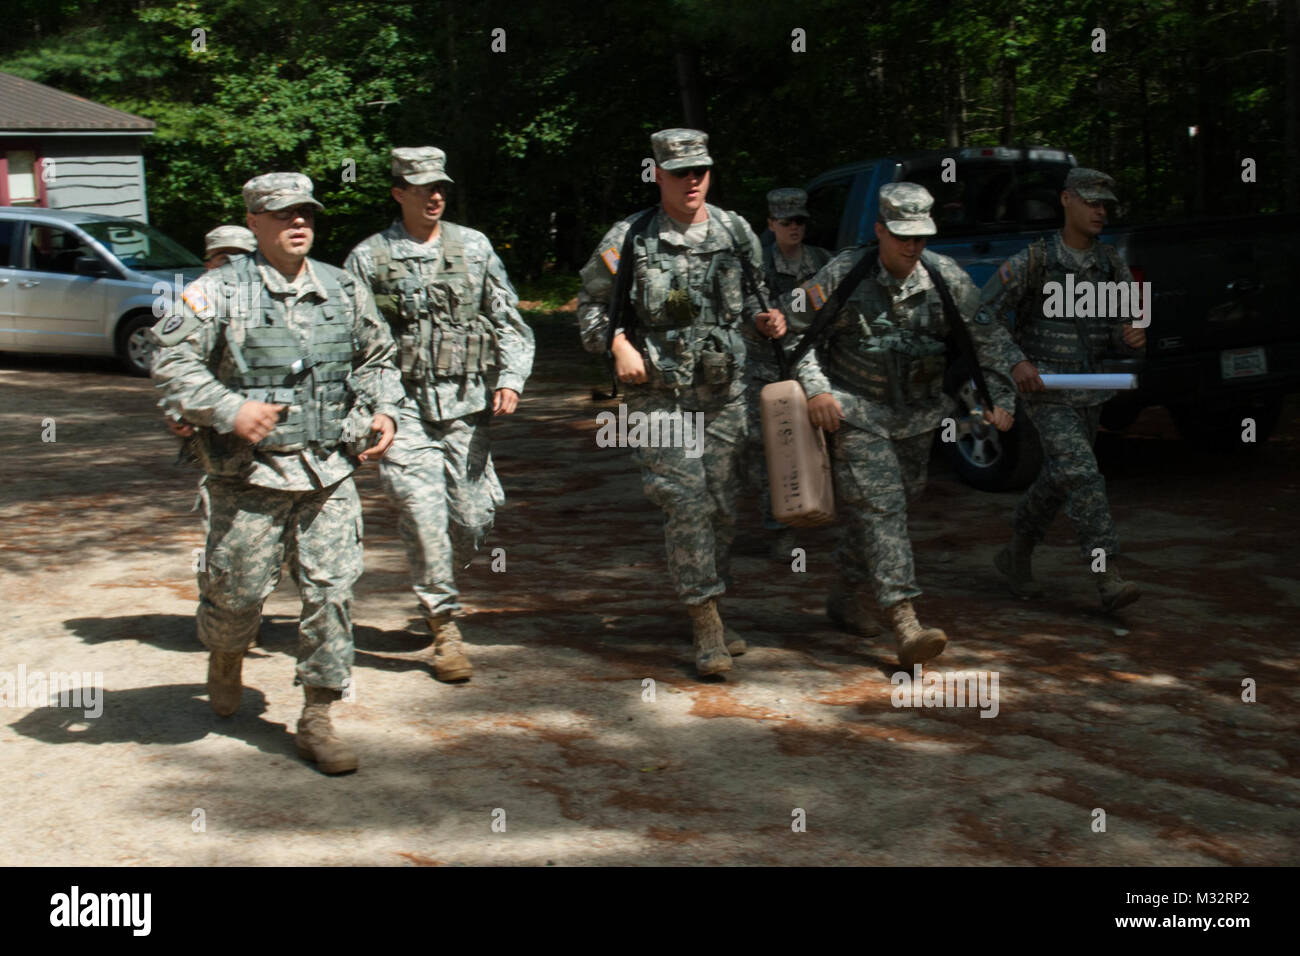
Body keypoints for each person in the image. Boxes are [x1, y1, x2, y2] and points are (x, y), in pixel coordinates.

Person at [150, 172, 404, 774]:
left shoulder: (343, 289)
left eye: (307, 215)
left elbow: (378, 357)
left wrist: (383, 409)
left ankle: (317, 716)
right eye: (284, 215)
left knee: (331, 593)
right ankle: (226, 650)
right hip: (249, 479)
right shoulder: (215, 291)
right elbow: (170, 363)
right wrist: (230, 408)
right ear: (255, 223)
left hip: (328, 473)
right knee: (236, 597)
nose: (299, 224)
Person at [577, 128, 787, 677]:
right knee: (686, 501)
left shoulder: (736, 230)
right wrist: (618, 343)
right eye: (680, 172)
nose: (692, 181)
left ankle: (712, 598)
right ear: (657, 175)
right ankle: (705, 621)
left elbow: (758, 301)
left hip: (724, 395)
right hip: (656, 398)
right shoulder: (631, 237)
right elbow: (591, 309)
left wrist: (767, 323)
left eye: (700, 171)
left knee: (722, 506)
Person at [794, 182, 1019, 667]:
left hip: (918, 417)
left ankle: (846, 595)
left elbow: (988, 338)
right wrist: (817, 390)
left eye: (921, 237)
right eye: (902, 237)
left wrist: (1001, 397)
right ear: (880, 230)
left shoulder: (946, 277)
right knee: (883, 510)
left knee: (883, 511)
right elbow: (795, 334)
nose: (912, 247)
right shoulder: (843, 274)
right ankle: (905, 621)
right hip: (856, 412)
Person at [344, 148, 534, 682]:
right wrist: (369, 410)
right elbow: (352, 345)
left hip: (465, 407)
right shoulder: (367, 259)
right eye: (422, 186)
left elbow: (508, 318)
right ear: (397, 192)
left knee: (474, 518)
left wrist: (512, 378)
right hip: (400, 409)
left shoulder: (473, 247)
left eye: (441, 187)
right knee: (423, 516)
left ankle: (438, 586)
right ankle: (445, 624)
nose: (434, 195)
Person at [977, 167, 1146, 611]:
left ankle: (1015, 554)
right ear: (1066, 200)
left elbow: (1119, 326)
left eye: (1105, 204)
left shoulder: (1110, 264)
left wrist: (1129, 334)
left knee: (1060, 476)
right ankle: (1105, 572)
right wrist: (1016, 361)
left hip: (1090, 387)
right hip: (1045, 389)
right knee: (1083, 473)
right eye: (1091, 201)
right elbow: (983, 317)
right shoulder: (1034, 260)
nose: (1100, 211)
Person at [745, 188, 832, 559]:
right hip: (769, 371)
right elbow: (745, 309)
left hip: (819, 366)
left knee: (827, 444)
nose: (794, 227)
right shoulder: (758, 266)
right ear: (771, 225)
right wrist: (760, 322)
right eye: (786, 222)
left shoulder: (824, 261)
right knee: (770, 450)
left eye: (800, 221)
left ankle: (820, 510)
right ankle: (780, 528)